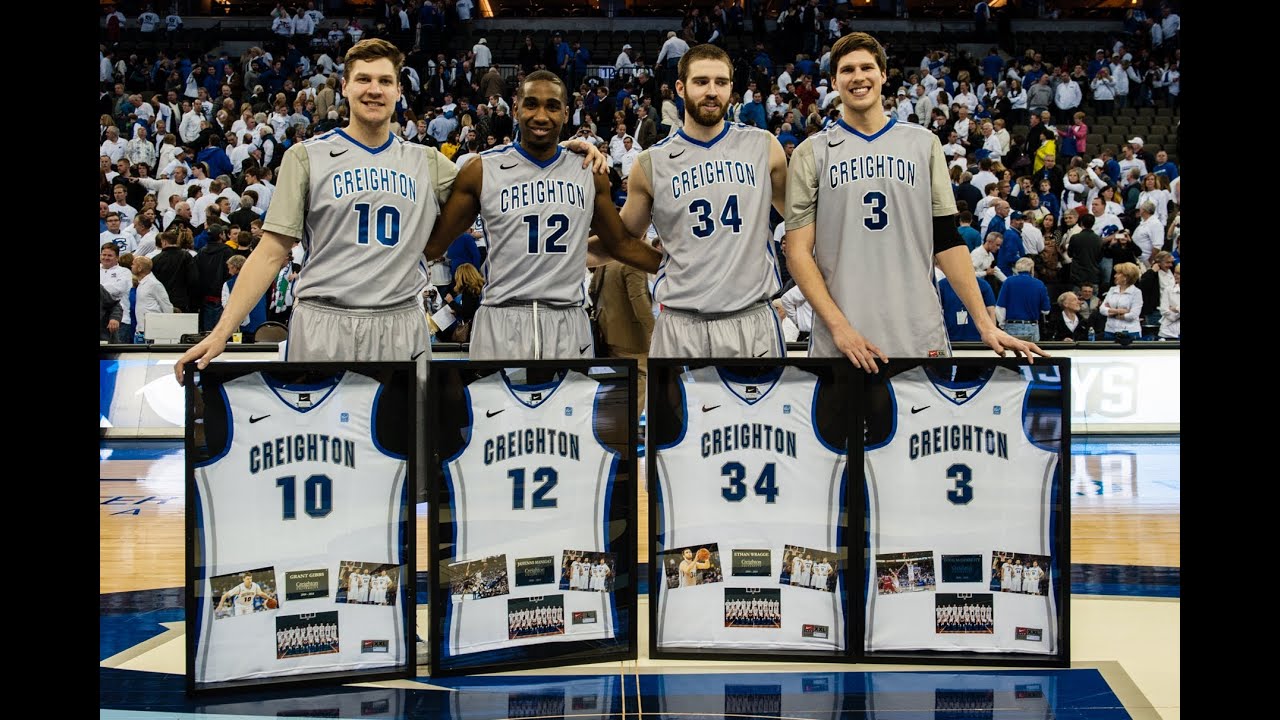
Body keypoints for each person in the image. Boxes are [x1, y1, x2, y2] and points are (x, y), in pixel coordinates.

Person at [784, 32, 1042, 371]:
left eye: (867, 67)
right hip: (843, 338)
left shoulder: (924, 144)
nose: (858, 77)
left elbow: (947, 241)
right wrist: (838, 327)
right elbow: (798, 252)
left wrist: (985, 323)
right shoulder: (811, 152)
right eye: (847, 70)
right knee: (839, 426)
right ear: (834, 80)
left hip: (918, 333)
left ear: (882, 74)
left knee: (924, 425)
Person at [423, 70, 658, 360]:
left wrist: (677, 266)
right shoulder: (481, 169)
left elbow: (620, 243)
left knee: (571, 407)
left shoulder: (588, 171)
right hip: (501, 318)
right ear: (517, 106)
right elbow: (434, 244)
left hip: (568, 319)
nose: (541, 115)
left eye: (552, 106)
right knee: (496, 407)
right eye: (532, 104)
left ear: (566, 112)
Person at [601, 44, 789, 358]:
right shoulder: (651, 163)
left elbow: (802, 223)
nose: (712, 91)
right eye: (701, 81)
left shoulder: (764, 146)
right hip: (681, 322)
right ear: (680, 86)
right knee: (674, 410)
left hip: (752, 318)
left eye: (721, 82)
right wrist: (559, 254)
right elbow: (619, 240)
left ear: (732, 87)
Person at [589, 260, 655, 413]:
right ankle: (627, 430)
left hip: (608, 332)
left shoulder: (606, 261)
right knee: (640, 377)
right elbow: (639, 301)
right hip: (632, 337)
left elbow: (592, 290)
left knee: (622, 382)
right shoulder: (632, 261)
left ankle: (619, 426)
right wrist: (654, 331)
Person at [995, 257, 1051, 341]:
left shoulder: (1008, 282)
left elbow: (1000, 307)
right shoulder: (1039, 284)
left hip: (1011, 326)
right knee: (1031, 353)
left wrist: (1002, 324)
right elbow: (1046, 310)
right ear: (1032, 269)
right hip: (1031, 326)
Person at [131, 255, 173, 343]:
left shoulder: (154, 284)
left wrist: (166, 330)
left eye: (133, 264)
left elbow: (167, 308)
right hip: (140, 331)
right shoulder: (141, 283)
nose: (131, 266)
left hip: (152, 334)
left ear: (140, 268)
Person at [1098, 261, 1143, 340]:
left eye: (1118, 274)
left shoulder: (1136, 292)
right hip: (1110, 330)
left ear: (1126, 277)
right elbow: (1102, 309)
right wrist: (1121, 311)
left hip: (1130, 332)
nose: (1115, 276)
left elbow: (1133, 315)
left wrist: (1111, 312)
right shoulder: (1112, 290)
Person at [441, 262, 483, 343]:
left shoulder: (469, 291)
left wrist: (451, 302)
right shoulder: (479, 289)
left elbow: (467, 313)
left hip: (471, 329)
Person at [1157, 263, 1180, 340]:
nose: (1175, 275)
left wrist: (1176, 308)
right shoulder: (1168, 289)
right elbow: (1164, 310)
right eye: (1175, 273)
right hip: (1167, 331)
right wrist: (1176, 315)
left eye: (1179, 274)